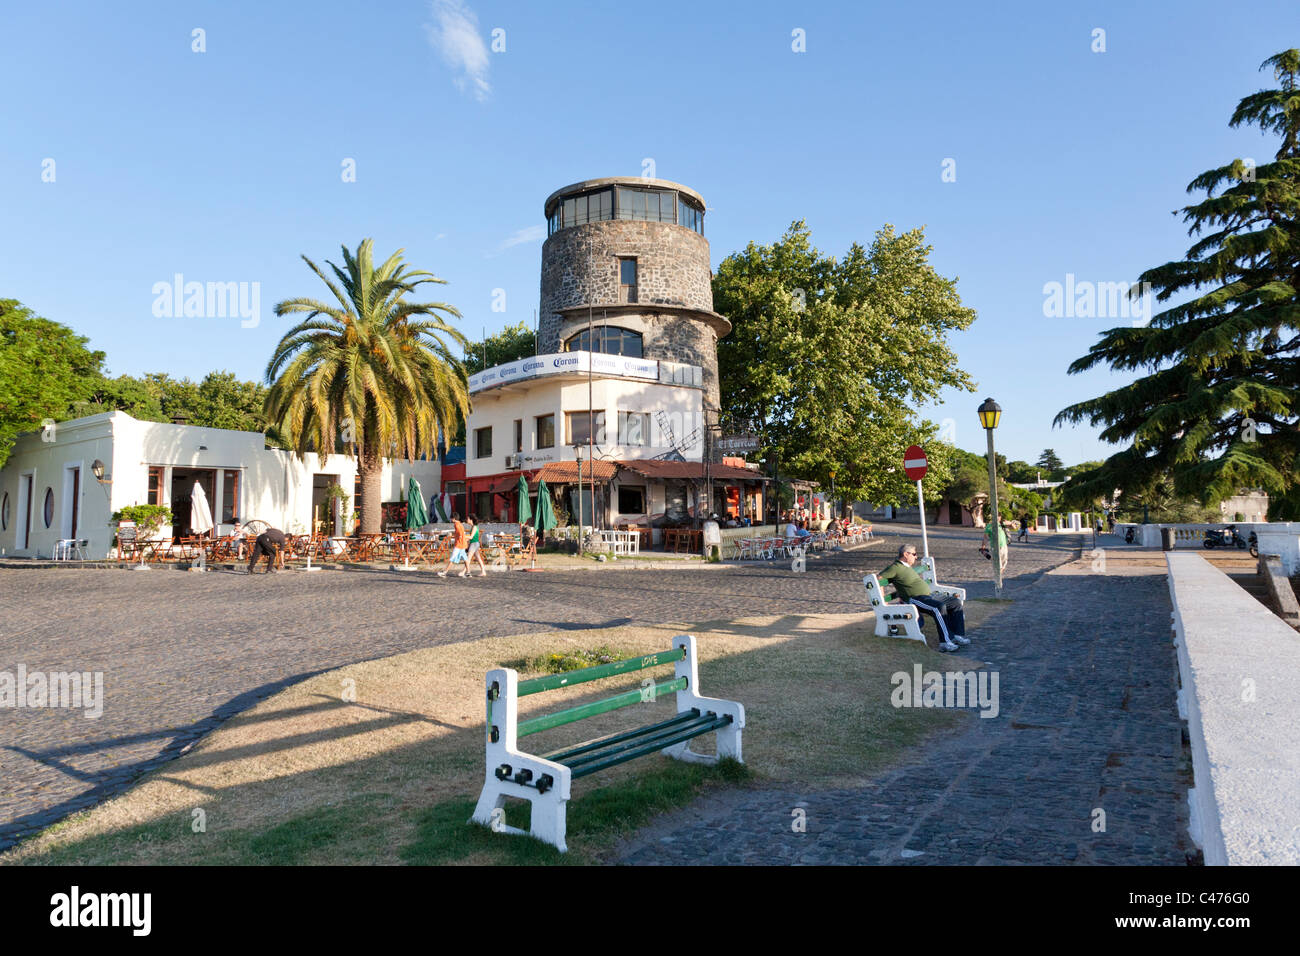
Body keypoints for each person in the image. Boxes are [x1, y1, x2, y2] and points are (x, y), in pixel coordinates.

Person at [878, 543, 968, 651]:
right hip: (916, 598)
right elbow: (878, 579)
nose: (916, 557)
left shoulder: (907, 567)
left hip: (928, 596)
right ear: (906, 554)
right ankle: (945, 642)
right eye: (914, 554)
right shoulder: (895, 567)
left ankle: (957, 635)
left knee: (955, 602)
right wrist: (883, 601)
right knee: (938, 608)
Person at [436, 513, 471, 578]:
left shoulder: (456, 525)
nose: (451, 520)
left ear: (454, 519)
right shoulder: (460, 524)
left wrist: (459, 539)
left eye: (451, 518)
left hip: (458, 545)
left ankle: (445, 572)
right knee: (465, 558)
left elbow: (460, 534)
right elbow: (460, 533)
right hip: (462, 544)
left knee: (452, 558)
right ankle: (468, 572)